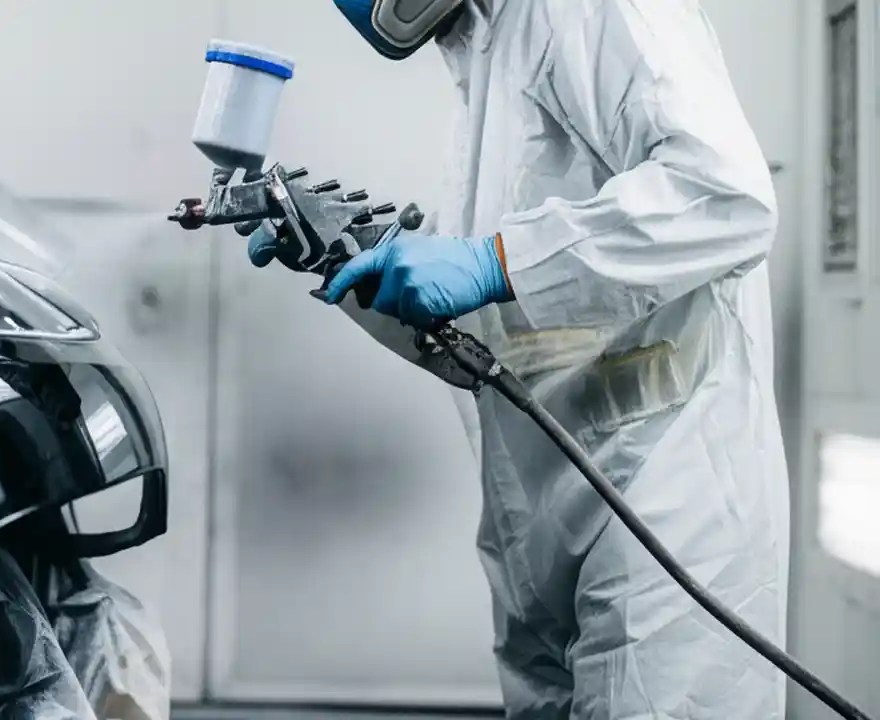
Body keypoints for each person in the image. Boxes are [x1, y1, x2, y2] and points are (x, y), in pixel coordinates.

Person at [249, 1, 790, 717]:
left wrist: (496, 262)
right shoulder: (485, 53)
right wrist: (343, 257)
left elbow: (722, 195)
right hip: (546, 503)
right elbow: (491, 335)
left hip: (664, 502)